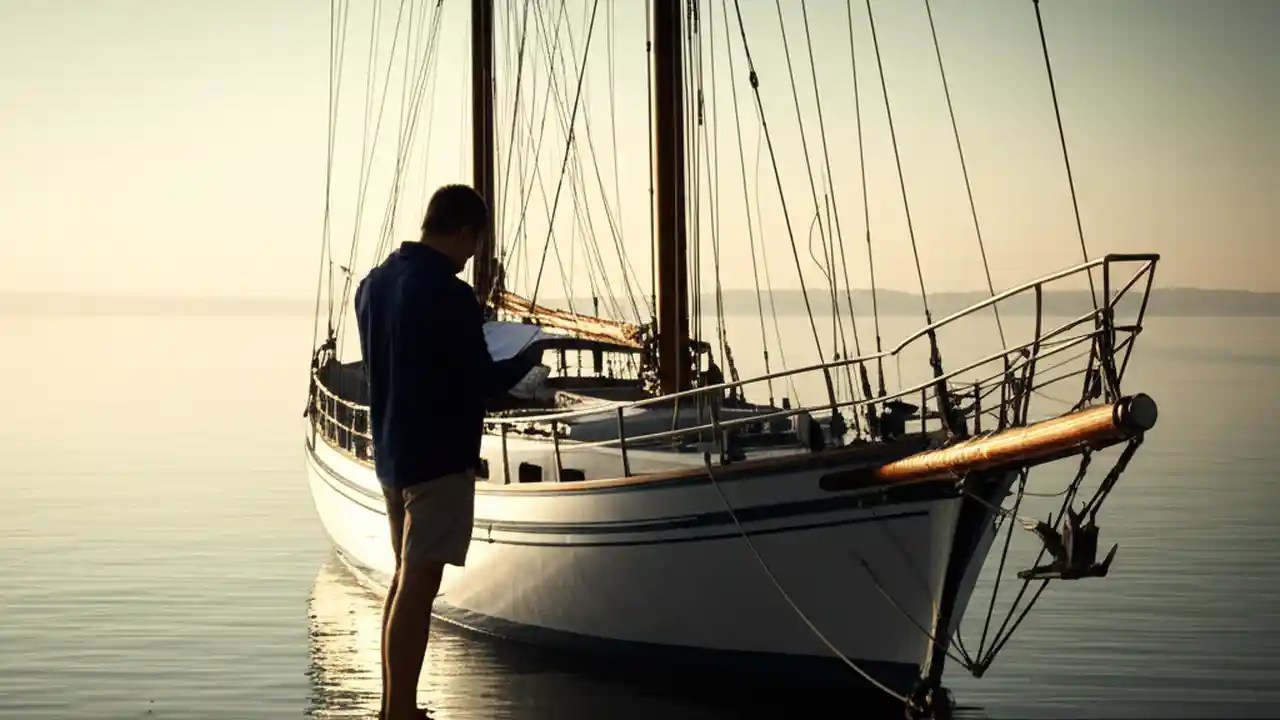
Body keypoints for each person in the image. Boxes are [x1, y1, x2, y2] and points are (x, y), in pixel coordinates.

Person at [354, 184, 541, 720]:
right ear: (463, 232)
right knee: (419, 585)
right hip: (438, 459)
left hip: (392, 453)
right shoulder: (449, 294)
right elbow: (481, 378)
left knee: (402, 579)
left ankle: (395, 705)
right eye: (475, 242)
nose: (473, 255)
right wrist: (529, 357)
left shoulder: (374, 284)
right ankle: (402, 711)